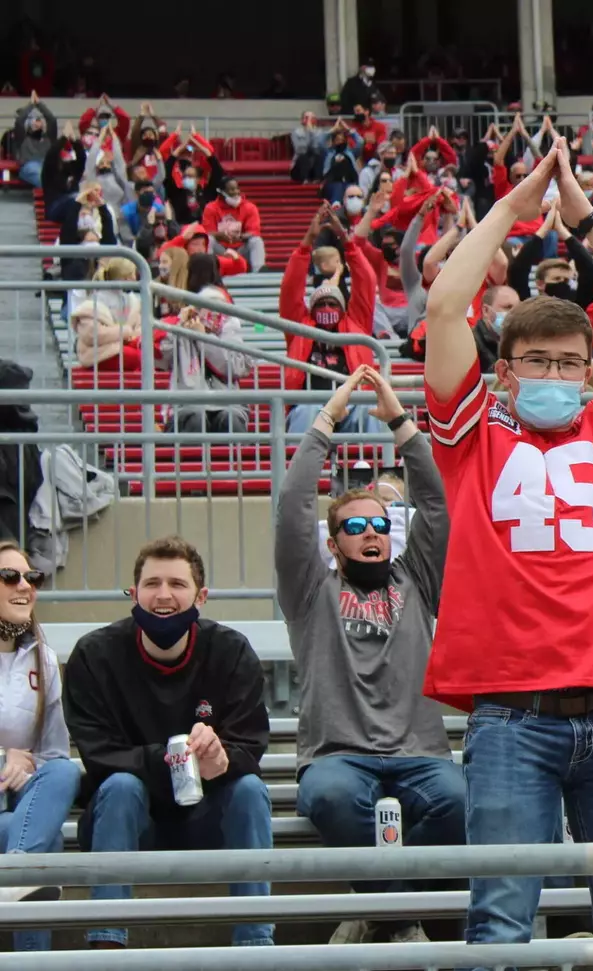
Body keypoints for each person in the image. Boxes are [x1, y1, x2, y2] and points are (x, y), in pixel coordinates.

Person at [422, 137, 593, 958]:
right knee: (499, 923)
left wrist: (592, 220)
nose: (556, 373)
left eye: (571, 362)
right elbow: (443, 306)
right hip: (511, 716)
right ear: (504, 373)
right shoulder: (472, 439)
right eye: (536, 360)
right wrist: (511, 208)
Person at [277, 365, 466, 947]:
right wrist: (328, 419)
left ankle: (388, 914)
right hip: (339, 757)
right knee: (331, 798)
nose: (370, 533)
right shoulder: (312, 588)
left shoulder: (417, 581)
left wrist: (401, 422)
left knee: (461, 802)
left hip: (420, 754)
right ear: (333, 544)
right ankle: (399, 916)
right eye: (354, 526)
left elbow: (435, 502)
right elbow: (291, 505)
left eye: (380, 525)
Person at [63, 536, 273, 949]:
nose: (163, 595)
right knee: (121, 787)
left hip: (207, 822)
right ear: (133, 593)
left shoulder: (231, 652)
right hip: (125, 824)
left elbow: (250, 745)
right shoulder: (93, 655)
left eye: (177, 584)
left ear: (202, 595)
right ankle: (107, 944)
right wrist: (176, 761)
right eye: (151, 583)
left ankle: (256, 944)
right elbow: (99, 754)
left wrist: (222, 761)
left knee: (248, 789)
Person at [0, 543, 78, 954]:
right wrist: (3, 758)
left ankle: (13, 877)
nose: (23, 586)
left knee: (65, 773)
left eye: (32, 577)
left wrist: (25, 767)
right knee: (43, 844)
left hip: (23, 800)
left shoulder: (43, 659)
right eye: (9, 576)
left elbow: (54, 754)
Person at [280, 205, 381, 434]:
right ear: (311, 308)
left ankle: (372, 469)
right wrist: (309, 240)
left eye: (332, 304)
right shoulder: (300, 327)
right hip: (310, 402)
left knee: (370, 413)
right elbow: (290, 288)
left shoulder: (356, 325)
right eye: (321, 304)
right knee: (305, 414)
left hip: (353, 402)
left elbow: (366, 279)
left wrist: (346, 241)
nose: (327, 308)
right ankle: (301, 470)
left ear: (342, 307)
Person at [159, 252, 255, 434]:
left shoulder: (230, 327)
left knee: (230, 419)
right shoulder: (183, 326)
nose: (211, 315)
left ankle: (236, 463)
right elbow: (161, 356)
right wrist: (179, 325)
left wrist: (204, 338)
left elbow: (233, 367)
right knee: (195, 417)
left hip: (227, 401)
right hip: (186, 402)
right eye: (205, 308)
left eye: (217, 309)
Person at [201, 177, 266, 273]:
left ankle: (258, 274)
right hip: (221, 250)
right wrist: (221, 236)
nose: (235, 192)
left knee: (256, 241)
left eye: (237, 189)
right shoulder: (211, 208)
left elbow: (254, 231)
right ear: (221, 192)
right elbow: (207, 232)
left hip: (241, 249)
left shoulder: (249, 207)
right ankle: (207, 273)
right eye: (231, 190)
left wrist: (240, 237)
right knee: (208, 240)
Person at [12, 92, 56, 189]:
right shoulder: (23, 137)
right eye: (35, 120)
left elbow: (52, 120)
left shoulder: (48, 137)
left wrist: (39, 104)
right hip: (29, 165)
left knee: (55, 172)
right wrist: (31, 104)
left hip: (46, 164)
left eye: (39, 120)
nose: (38, 122)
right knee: (39, 173)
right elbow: (19, 121)